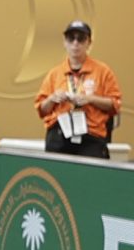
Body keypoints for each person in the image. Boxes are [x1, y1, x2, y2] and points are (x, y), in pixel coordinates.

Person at [33, 21, 122, 158]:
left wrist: (90, 99)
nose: (75, 43)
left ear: (89, 43)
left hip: (91, 135)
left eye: (81, 39)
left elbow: (115, 105)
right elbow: (41, 110)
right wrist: (52, 98)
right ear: (65, 42)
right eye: (71, 38)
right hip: (60, 133)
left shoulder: (103, 71)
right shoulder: (54, 74)